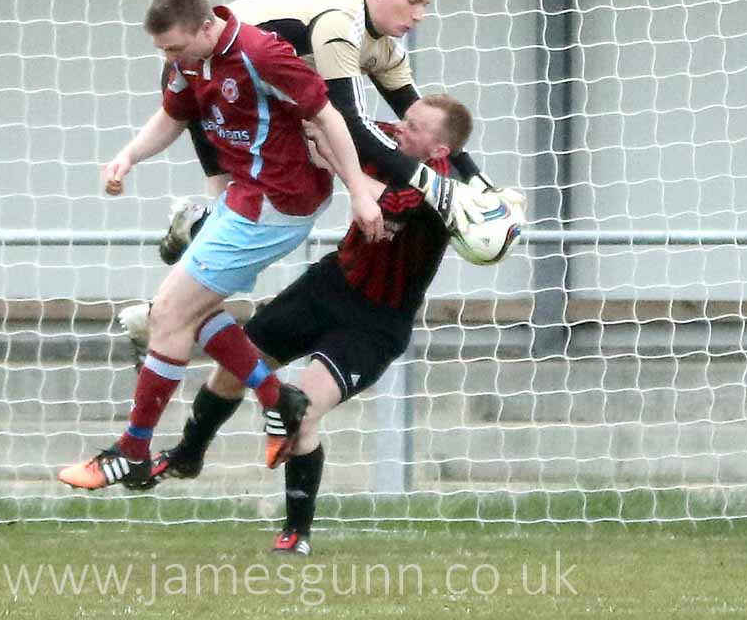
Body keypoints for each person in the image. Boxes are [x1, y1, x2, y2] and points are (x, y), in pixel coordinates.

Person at [151, 94, 526, 555]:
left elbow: (371, 197)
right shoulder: (392, 142)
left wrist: (330, 154)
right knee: (234, 364)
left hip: (373, 325)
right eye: (404, 119)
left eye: (414, 127)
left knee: (302, 410)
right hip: (326, 287)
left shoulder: (438, 193)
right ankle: (189, 454)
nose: (400, 127)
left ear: (439, 152)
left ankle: (296, 534)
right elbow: (345, 129)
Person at [58, 0, 384, 491]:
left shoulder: (261, 53)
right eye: (164, 50)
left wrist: (360, 192)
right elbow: (173, 115)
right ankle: (278, 397)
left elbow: (328, 116)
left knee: (168, 314)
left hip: (277, 203)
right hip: (244, 197)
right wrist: (129, 156)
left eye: (175, 47)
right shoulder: (190, 62)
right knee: (194, 308)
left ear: (207, 26)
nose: (170, 58)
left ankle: (133, 451)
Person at [119, 0, 500, 359]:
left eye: (425, 4)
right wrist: (436, 190)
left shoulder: (385, 47)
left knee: (251, 219)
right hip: (204, 70)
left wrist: (477, 181)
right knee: (248, 213)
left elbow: (425, 121)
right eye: (412, 1)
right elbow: (350, 123)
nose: (419, 14)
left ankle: (176, 282)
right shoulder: (340, 24)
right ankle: (169, 308)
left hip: (256, 91)